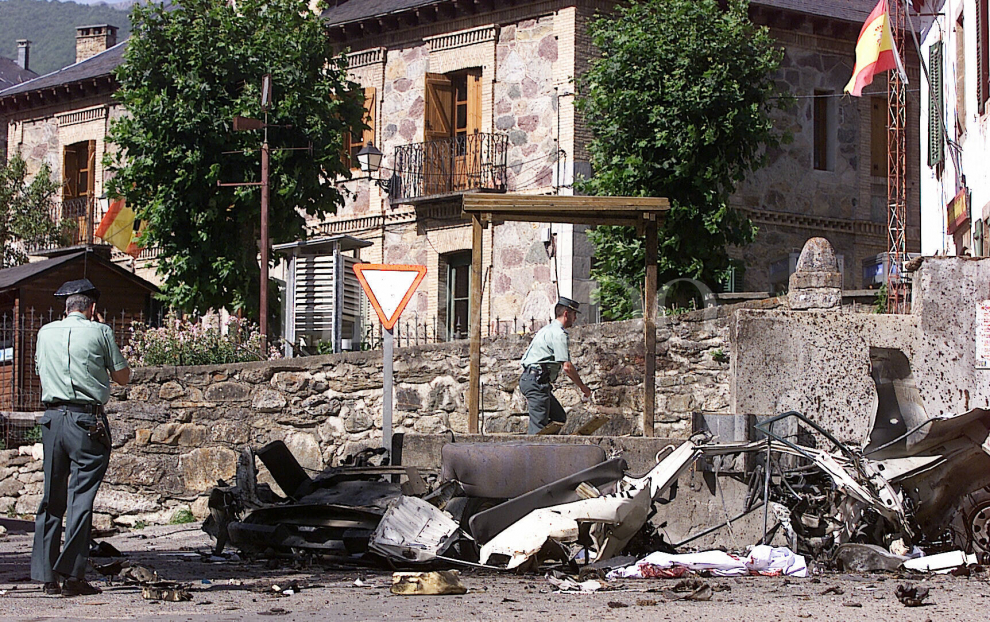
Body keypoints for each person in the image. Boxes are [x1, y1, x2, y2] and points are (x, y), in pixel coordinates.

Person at [31, 278, 130, 597]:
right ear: (92, 308)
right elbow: (123, 376)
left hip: (52, 420)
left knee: (51, 497)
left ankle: (47, 575)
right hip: (86, 420)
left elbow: (39, 369)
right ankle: (72, 574)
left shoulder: (45, 333)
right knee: (80, 498)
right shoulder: (100, 331)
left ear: (65, 307)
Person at [518, 296, 592, 434]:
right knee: (538, 427)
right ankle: (535, 452)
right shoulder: (559, 334)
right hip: (536, 381)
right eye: (574, 314)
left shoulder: (546, 329)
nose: (575, 318)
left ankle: (548, 450)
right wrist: (583, 387)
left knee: (558, 417)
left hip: (533, 379)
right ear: (566, 314)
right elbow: (567, 367)